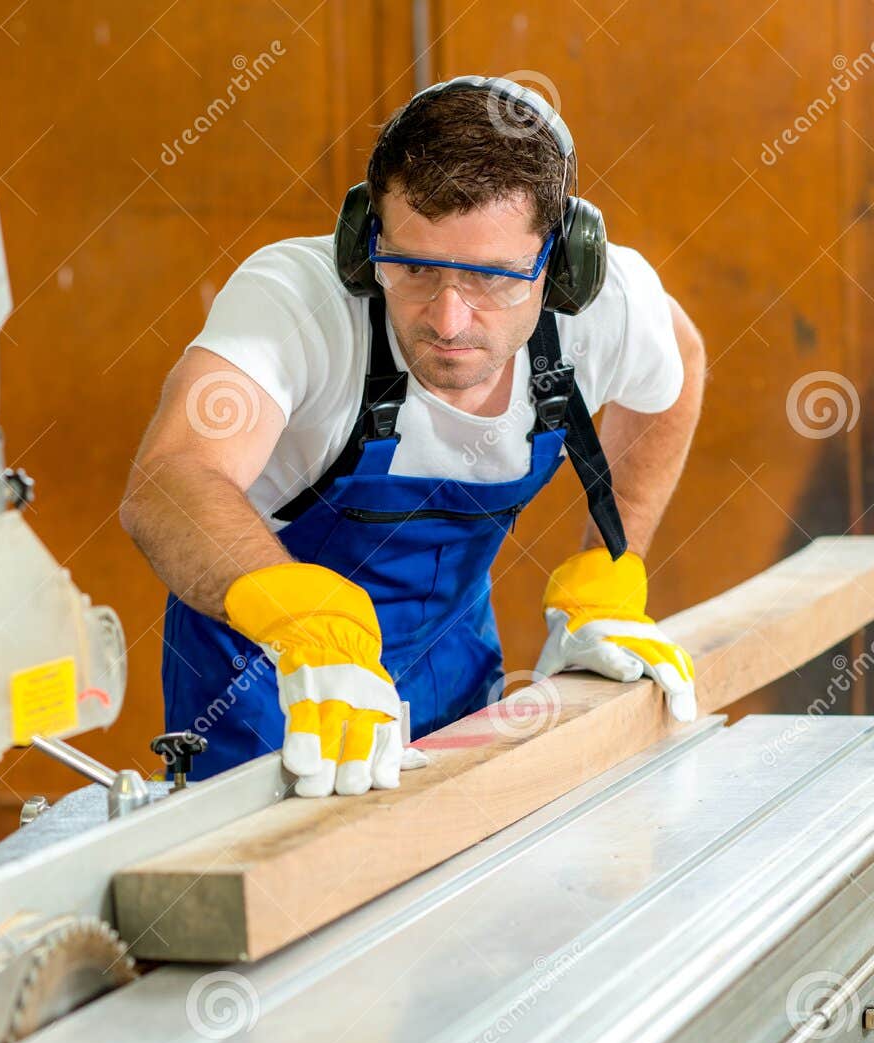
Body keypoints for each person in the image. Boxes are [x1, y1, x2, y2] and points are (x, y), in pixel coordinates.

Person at [120, 76, 705, 795]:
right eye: (416, 267)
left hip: (451, 663)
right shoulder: (294, 303)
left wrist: (614, 569)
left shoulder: (609, 306)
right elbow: (169, 482)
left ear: (563, 263)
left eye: (493, 278)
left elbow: (678, 369)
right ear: (364, 243)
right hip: (276, 686)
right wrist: (305, 624)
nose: (448, 319)